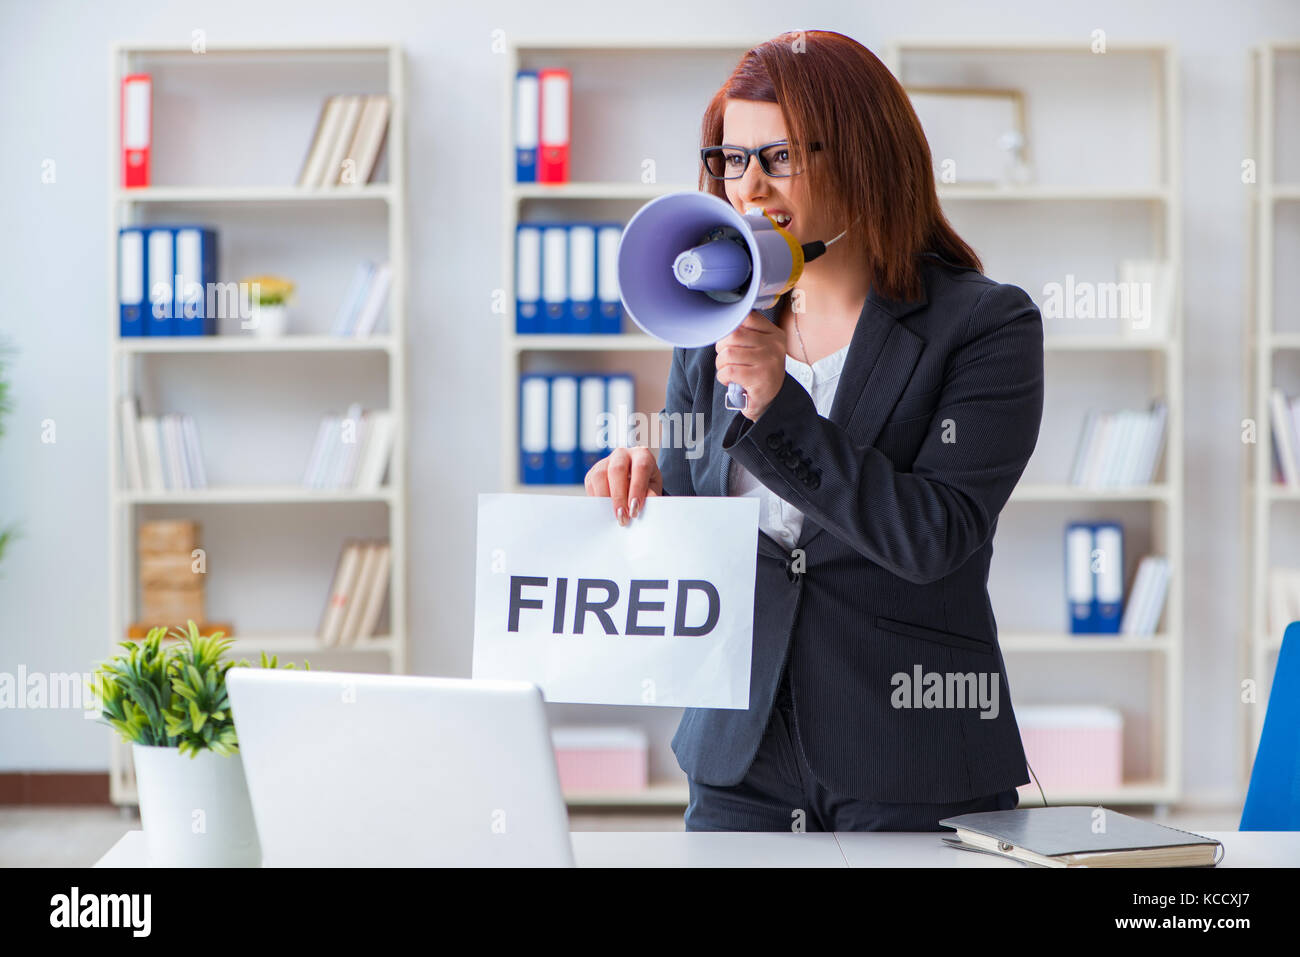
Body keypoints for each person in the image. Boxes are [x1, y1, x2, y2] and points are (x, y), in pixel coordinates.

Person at [584, 30, 1044, 831]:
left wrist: (778, 405)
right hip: (740, 762)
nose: (750, 187)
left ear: (865, 154)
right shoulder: (708, 323)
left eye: (781, 156)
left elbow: (935, 535)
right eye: (732, 160)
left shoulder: (983, 325)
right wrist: (647, 487)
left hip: (911, 759)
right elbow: (708, 549)